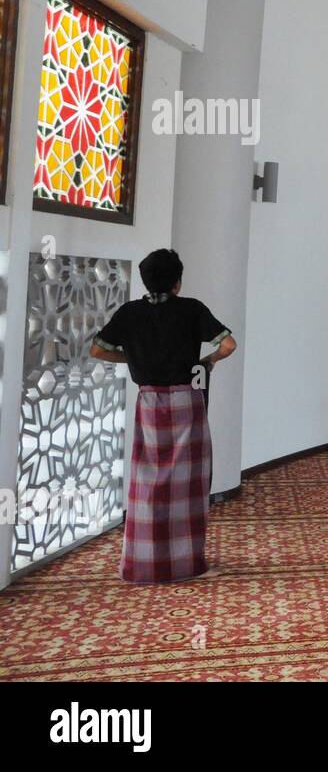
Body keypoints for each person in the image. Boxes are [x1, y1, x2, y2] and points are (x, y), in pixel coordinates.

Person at [89, 249, 237, 583]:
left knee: (148, 484)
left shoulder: (129, 313)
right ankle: (188, 564)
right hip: (187, 401)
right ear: (177, 282)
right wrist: (207, 361)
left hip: (150, 403)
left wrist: (137, 358)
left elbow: (98, 349)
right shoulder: (191, 309)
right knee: (188, 486)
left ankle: (143, 563)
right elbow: (228, 345)